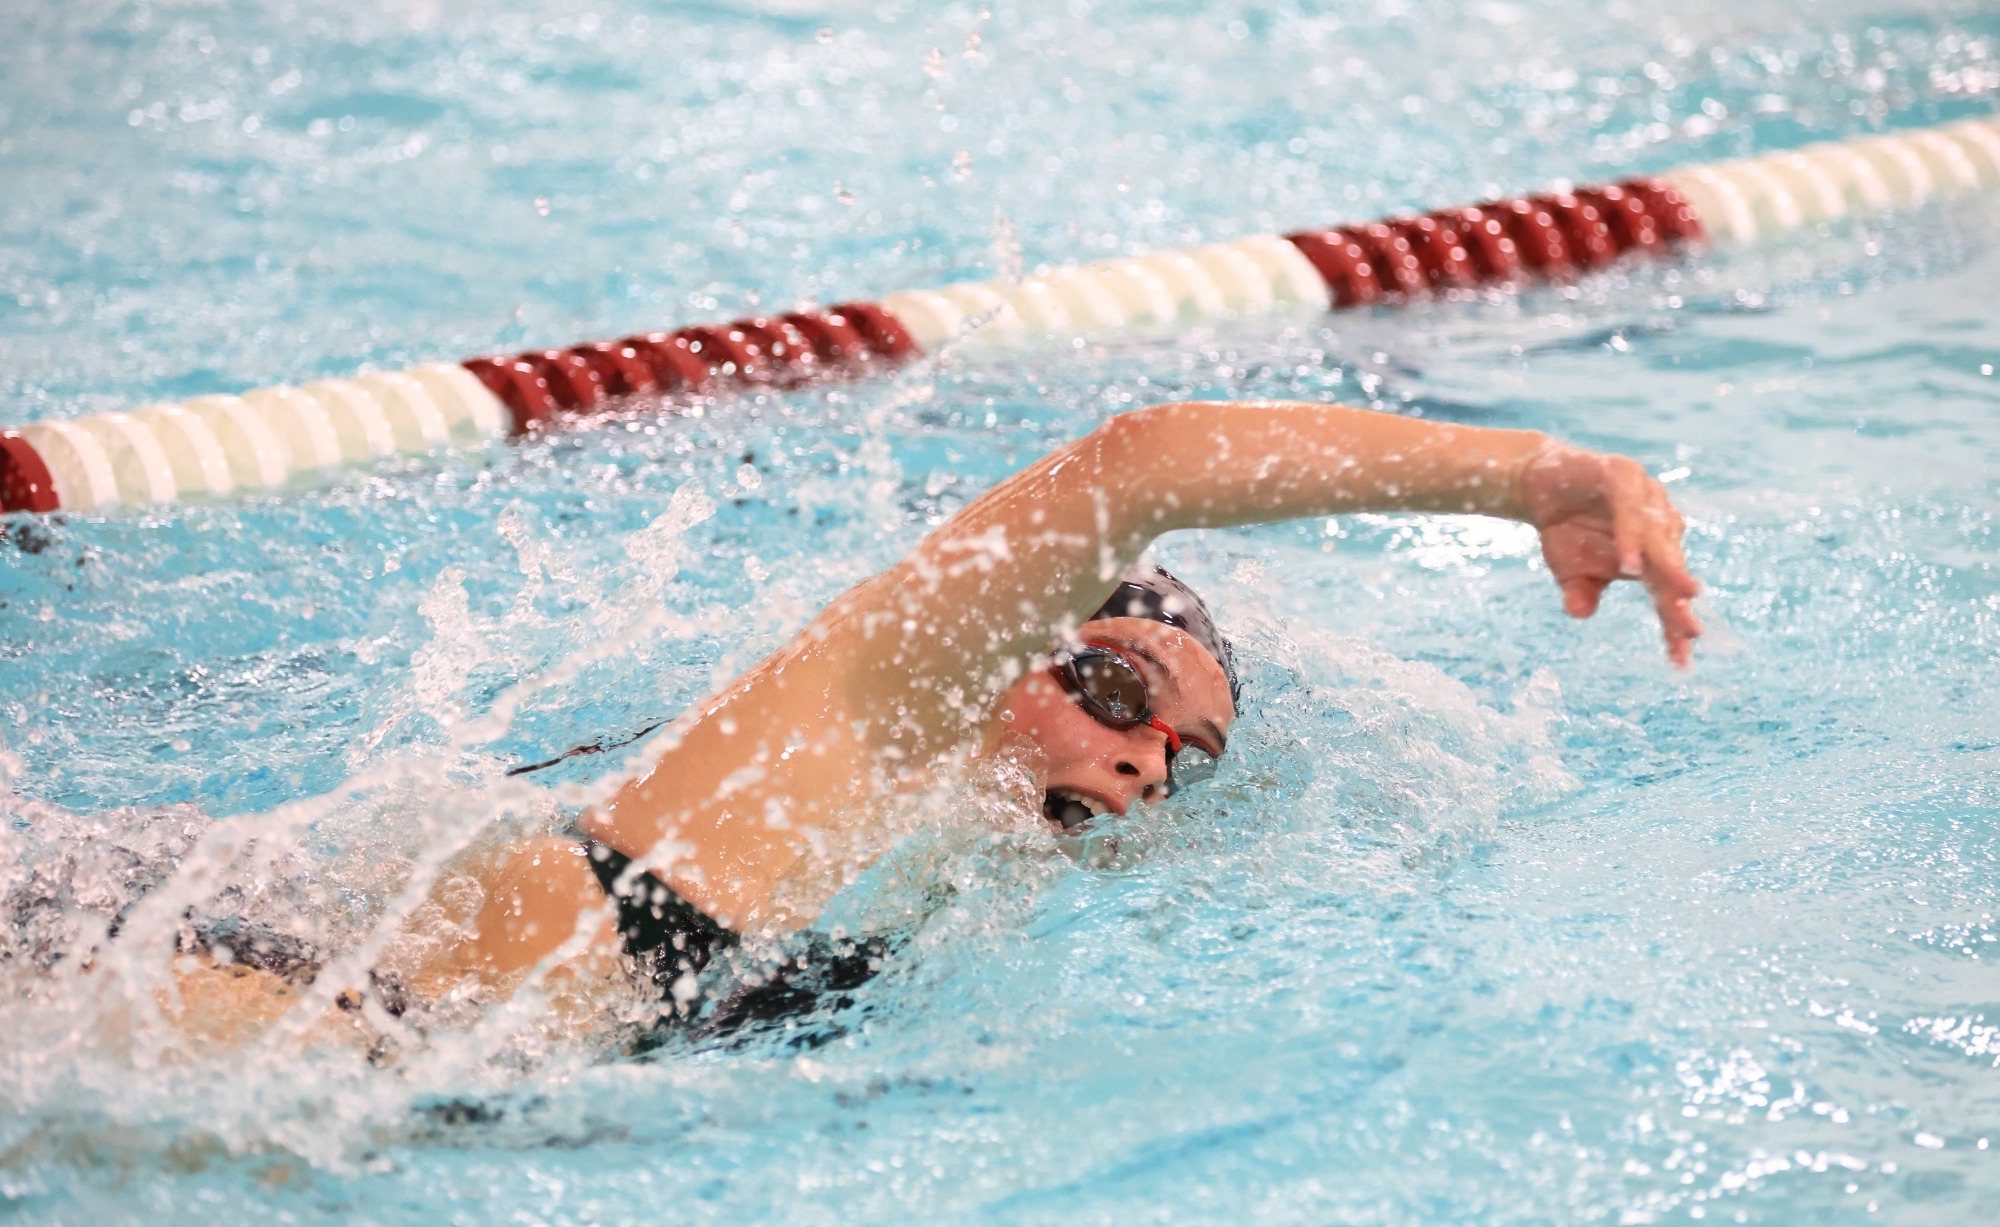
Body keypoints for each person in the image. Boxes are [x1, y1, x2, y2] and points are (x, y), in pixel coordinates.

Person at [172, 400, 1700, 1045]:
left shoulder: (905, 894)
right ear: (995, 648)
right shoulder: (890, 714)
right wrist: (1528, 476)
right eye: (1117, 690)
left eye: (1182, 758)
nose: (1141, 759)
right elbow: (1143, 460)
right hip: (277, 1025)